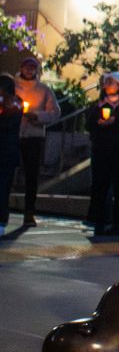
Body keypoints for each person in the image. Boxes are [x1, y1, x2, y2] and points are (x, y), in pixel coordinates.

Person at [85, 72, 119, 238]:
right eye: (106, 82)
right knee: (100, 186)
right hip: (101, 149)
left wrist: (116, 122)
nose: (107, 85)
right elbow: (89, 123)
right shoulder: (99, 104)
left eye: (111, 82)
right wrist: (99, 122)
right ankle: (99, 222)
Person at [14, 55, 60, 227]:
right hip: (14, 134)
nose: (29, 70)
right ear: (21, 68)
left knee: (31, 175)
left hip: (34, 136)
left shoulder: (44, 90)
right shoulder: (12, 87)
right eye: (27, 67)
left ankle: (29, 211)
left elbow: (55, 112)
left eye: (32, 67)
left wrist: (37, 116)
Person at [0, 75, 23, 237]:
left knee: (2, 185)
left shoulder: (16, 103)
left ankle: (1, 219)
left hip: (7, 150)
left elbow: (9, 125)